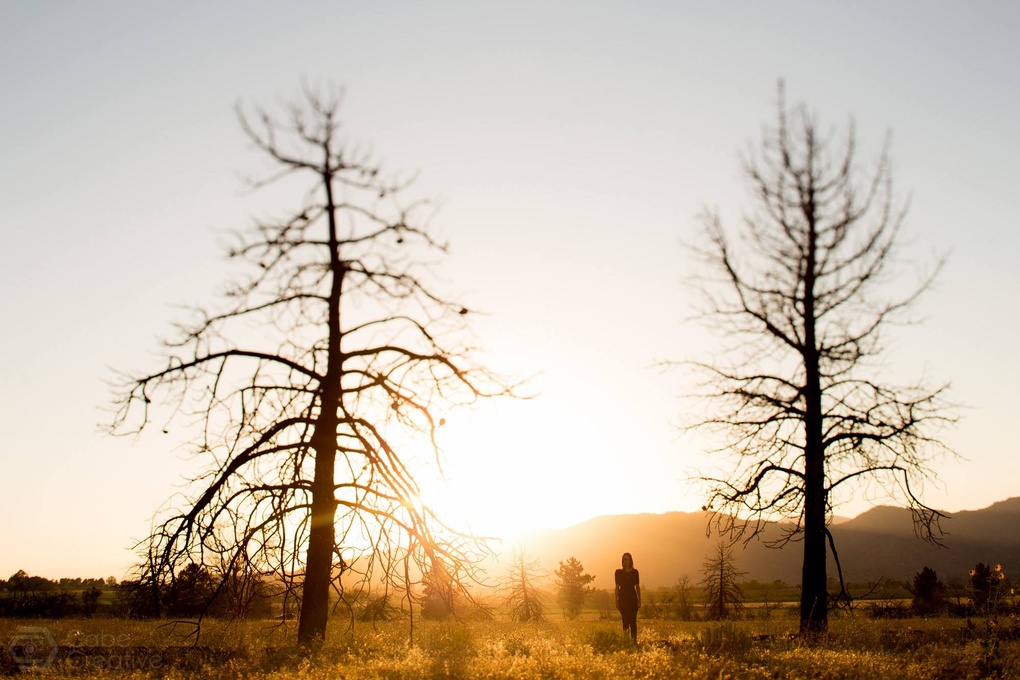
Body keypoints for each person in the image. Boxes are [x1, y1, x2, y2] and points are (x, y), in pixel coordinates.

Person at [614, 552, 641, 641]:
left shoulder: (635, 572)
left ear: (631, 561)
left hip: (632, 598)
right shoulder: (618, 572)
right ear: (622, 561)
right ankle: (626, 641)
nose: (626, 561)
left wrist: (639, 600)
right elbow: (617, 587)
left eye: (628, 559)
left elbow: (637, 586)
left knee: (633, 621)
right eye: (625, 559)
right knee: (625, 621)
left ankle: (634, 641)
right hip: (623, 599)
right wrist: (616, 600)